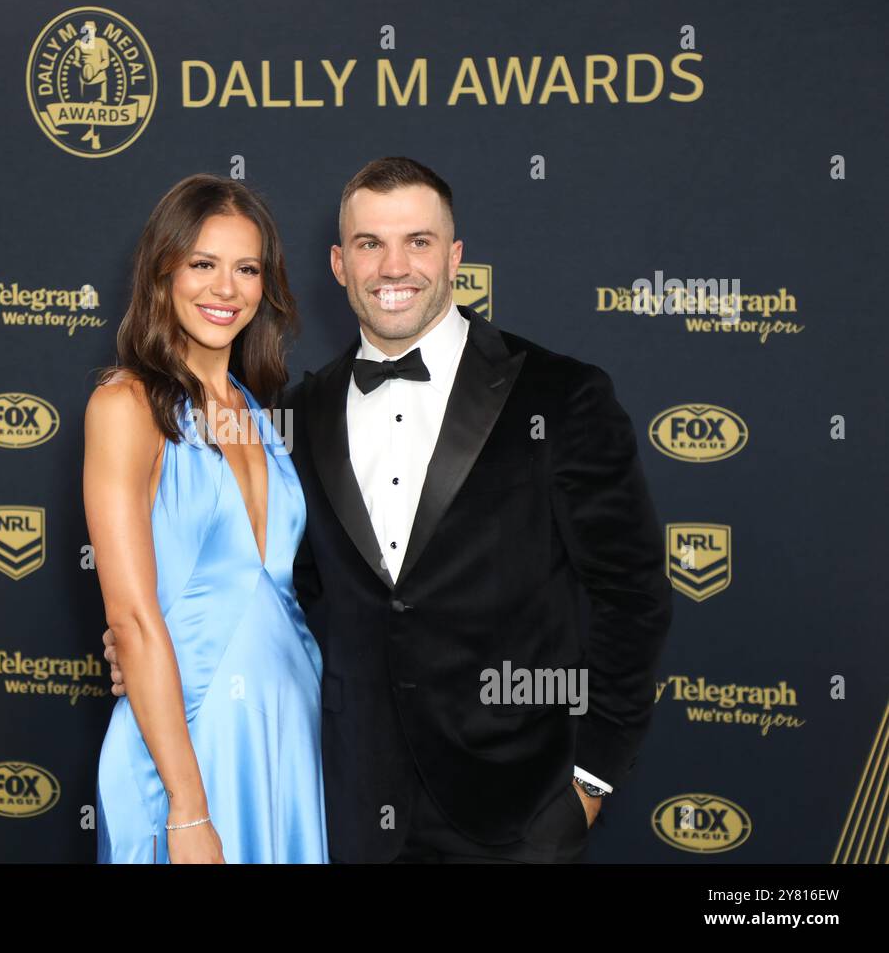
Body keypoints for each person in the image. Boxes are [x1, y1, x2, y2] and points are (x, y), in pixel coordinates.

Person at [105, 156, 673, 863]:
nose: (393, 266)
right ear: (340, 264)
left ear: (455, 256)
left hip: (516, 812)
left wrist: (590, 781)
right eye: (370, 244)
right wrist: (158, 649)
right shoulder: (295, 414)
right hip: (335, 803)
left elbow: (634, 597)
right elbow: (291, 590)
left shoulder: (562, 397)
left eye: (419, 242)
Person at [84, 173, 327, 863]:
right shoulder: (126, 407)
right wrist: (189, 814)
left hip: (285, 734)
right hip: (183, 742)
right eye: (202, 264)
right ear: (163, 272)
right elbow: (131, 619)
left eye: (246, 268)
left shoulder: (263, 414)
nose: (226, 289)